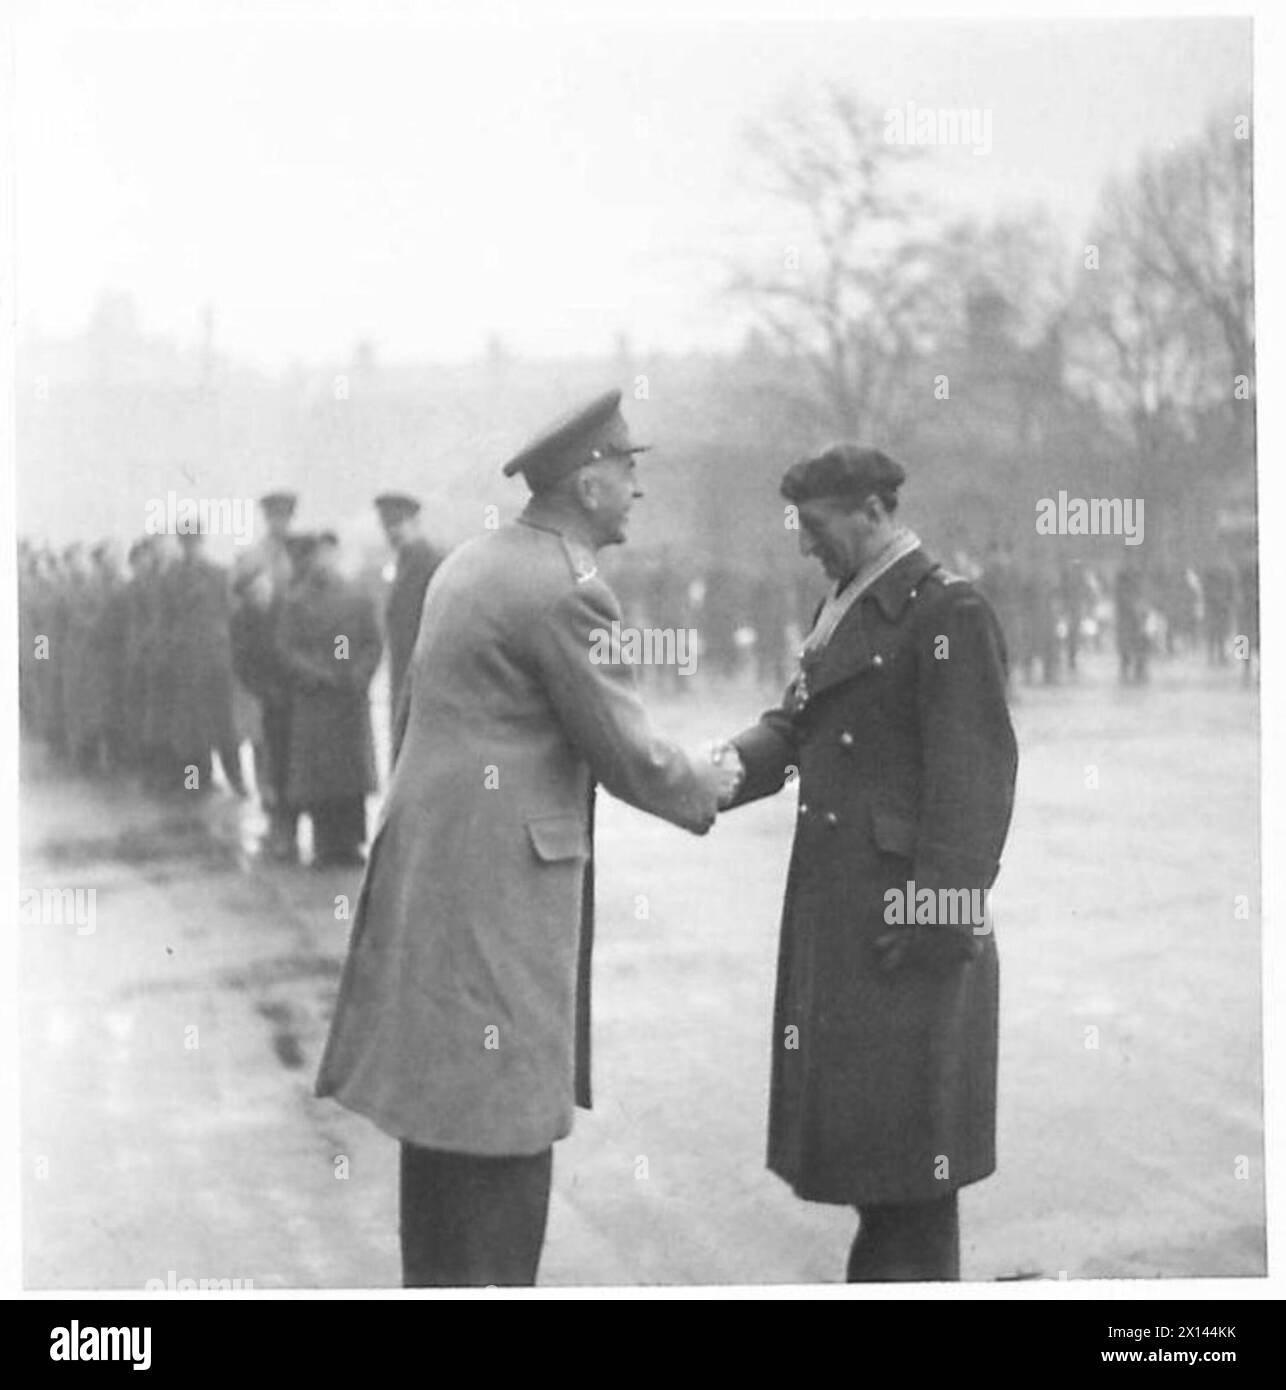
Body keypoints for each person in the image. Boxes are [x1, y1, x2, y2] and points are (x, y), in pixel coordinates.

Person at [315, 389, 736, 1287]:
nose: (636, 490)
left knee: (442, 1111)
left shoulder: (470, 562)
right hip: (500, 885)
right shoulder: (564, 589)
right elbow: (627, 753)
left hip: (437, 863)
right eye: (627, 472)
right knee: (505, 1118)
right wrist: (711, 781)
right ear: (587, 485)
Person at [714, 443, 1018, 1282]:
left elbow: (975, 784)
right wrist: (710, 773)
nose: (806, 546)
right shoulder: (848, 604)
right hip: (853, 926)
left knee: (912, 1177)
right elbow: (798, 724)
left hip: (906, 938)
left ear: (873, 513)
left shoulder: (945, 610)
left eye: (815, 528)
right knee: (884, 1169)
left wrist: (937, 924)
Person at [277, 531, 382, 868]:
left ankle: (351, 843)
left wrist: (360, 674)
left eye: (328, 555)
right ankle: (325, 845)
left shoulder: (357, 597)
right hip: (316, 700)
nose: (322, 563)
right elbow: (286, 647)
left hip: (349, 700)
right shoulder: (295, 601)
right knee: (321, 779)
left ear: (336, 556)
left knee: (350, 775)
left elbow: (373, 642)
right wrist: (316, 673)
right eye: (317, 556)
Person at [156, 529, 246, 795]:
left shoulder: (219, 574)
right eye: (185, 542)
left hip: (216, 662)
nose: (190, 547)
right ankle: (195, 781)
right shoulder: (171, 578)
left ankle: (237, 781)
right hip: (185, 663)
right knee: (191, 732)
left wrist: (226, 644)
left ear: (201, 542)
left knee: (225, 728)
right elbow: (164, 620)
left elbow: (232, 614)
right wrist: (172, 648)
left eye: (194, 542)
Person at [231, 566, 299, 859]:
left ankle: (298, 824)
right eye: (253, 593)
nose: (260, 595)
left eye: (263, 587)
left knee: (300, 764)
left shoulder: (290, 609)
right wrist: (264, 691)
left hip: (300, 695)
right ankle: (281, 827)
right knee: (276, 765)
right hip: (272, 701)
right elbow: (242, 664)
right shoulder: (241, 621)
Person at [373, 492, 444, 759]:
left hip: (427, 678)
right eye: (387, 527)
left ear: (415, 522)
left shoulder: (431, 563)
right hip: (404, 676)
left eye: (397, 524)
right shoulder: (403, 564)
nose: (392, 533)